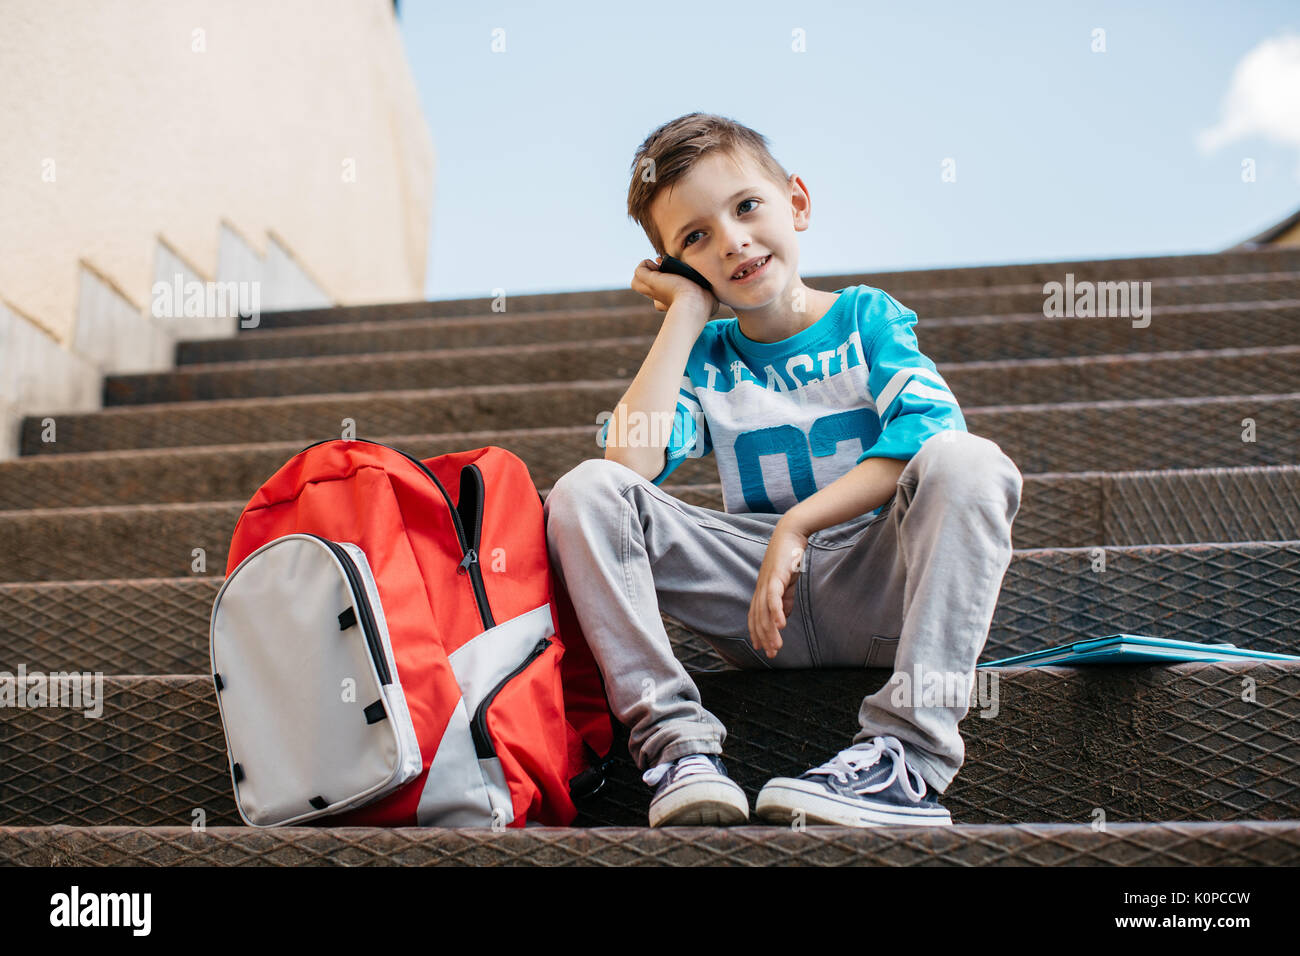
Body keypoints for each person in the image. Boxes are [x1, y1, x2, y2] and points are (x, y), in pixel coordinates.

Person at [543, 112, 1023, 827]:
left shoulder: (866, 318)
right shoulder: (705, 355)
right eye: (694, 238)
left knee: (970, 463)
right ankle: (677, 748)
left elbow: (931, 429)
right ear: (676, 267)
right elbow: (628, 464)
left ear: (795, 202)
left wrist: (797, 525)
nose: (732, 240)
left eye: (746, 207)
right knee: (582, 492)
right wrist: (684, 316)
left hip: (873, 585)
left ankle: (909, 760)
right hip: (758, 613)